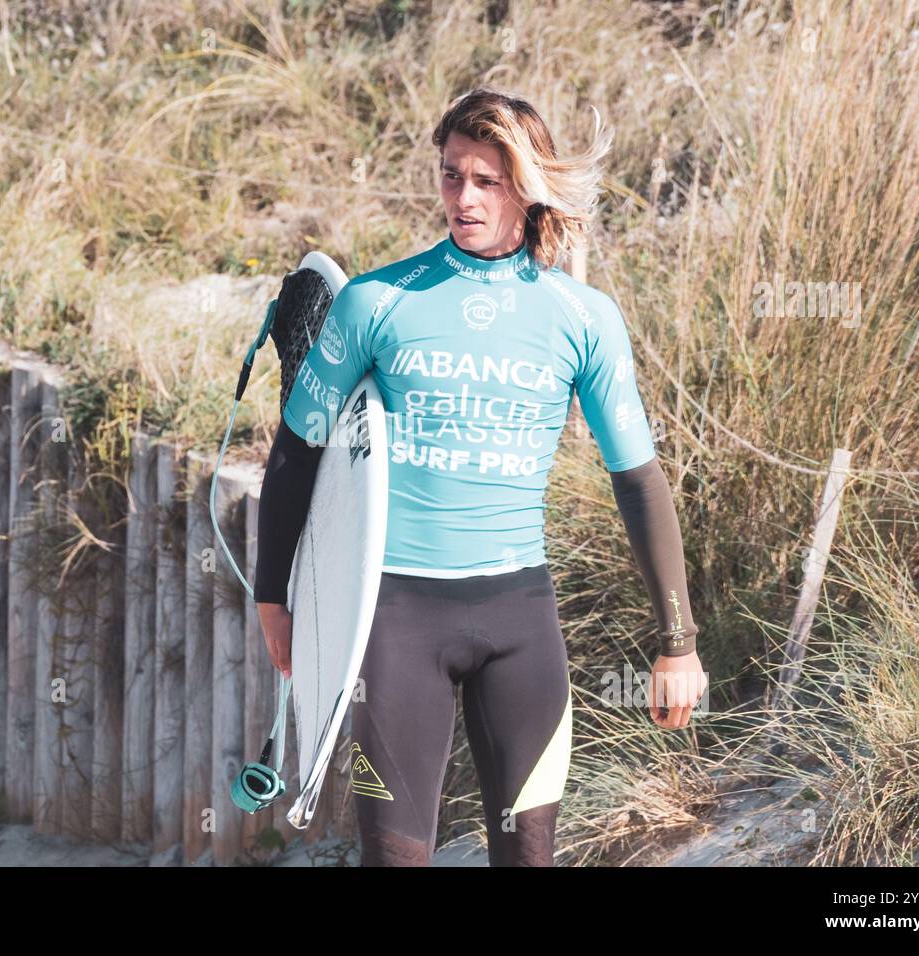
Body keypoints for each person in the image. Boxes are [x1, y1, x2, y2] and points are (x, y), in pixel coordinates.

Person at [254, 87, 705, 867]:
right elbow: (296, 453)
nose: (464, 198)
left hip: (519, 620)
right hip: (395, 621)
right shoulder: (375, 303)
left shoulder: (582, 317)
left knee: (529, 858)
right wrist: (274, 598)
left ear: (527, 188)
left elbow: (637, 479)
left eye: (487, 181)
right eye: (451, 175)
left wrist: (679, 642)